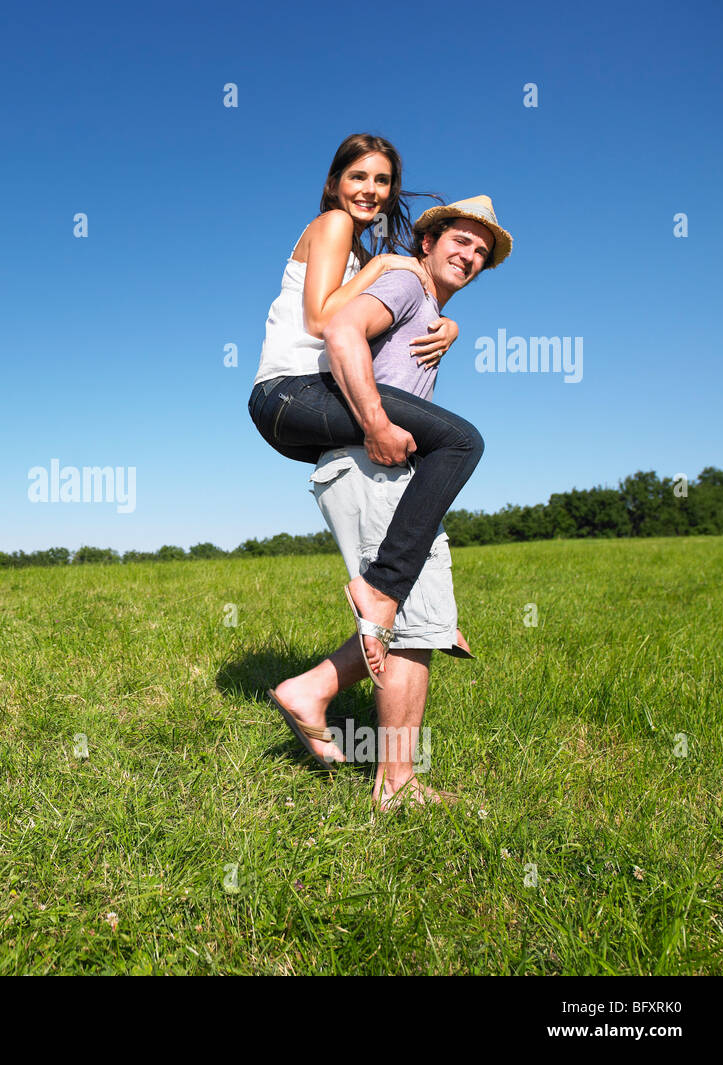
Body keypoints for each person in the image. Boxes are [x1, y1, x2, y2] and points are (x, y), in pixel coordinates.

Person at [264, 196, 513, 808]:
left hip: (374, 465)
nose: (471, 255)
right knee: (408, 617)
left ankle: (311, 689)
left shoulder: (423, 305)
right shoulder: (404, 281)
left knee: (414, 620)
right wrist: (375, 423)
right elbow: (343, 328)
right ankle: (396, 786)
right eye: (460, 240)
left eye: (481, 251)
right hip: (369, 464)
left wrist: (445, 325)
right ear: (428, 243)